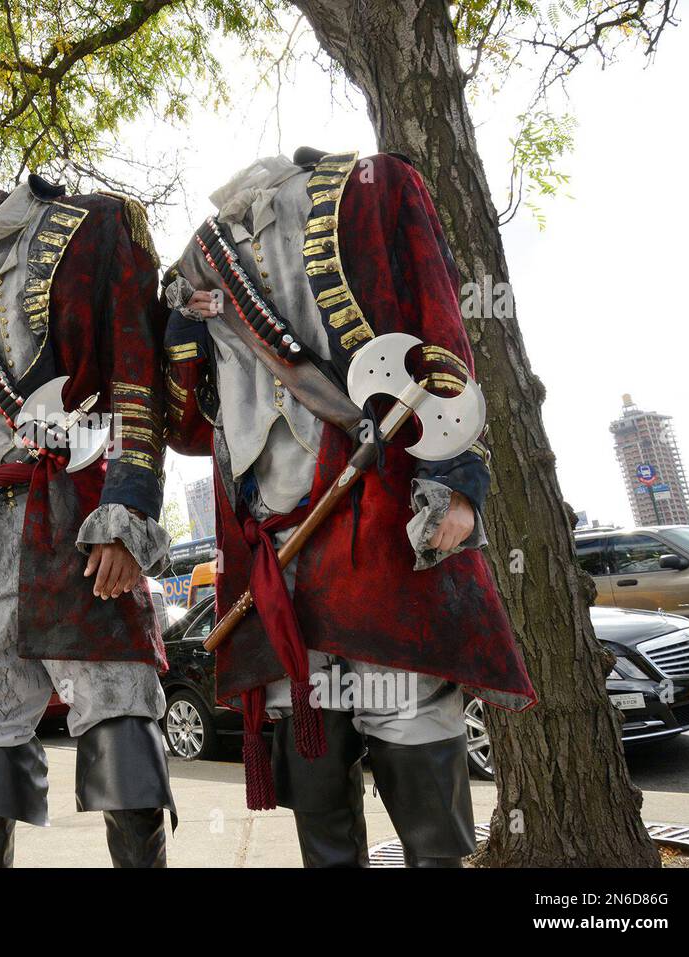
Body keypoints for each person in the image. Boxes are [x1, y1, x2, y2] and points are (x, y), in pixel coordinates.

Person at [163, 148, 537, 867]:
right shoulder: (202, 262)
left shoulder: (368, 190)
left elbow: (438, 332)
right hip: (273, 552)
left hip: (376, 516)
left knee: (418, 753)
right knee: (318, 791)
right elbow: (184, 425)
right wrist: (184, 318)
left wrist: (456, 478)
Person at [0, 176, 174, 867]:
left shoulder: (96, 226)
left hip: (81, 522)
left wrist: (125, 514)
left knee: (125, 744)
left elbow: (135, 381)